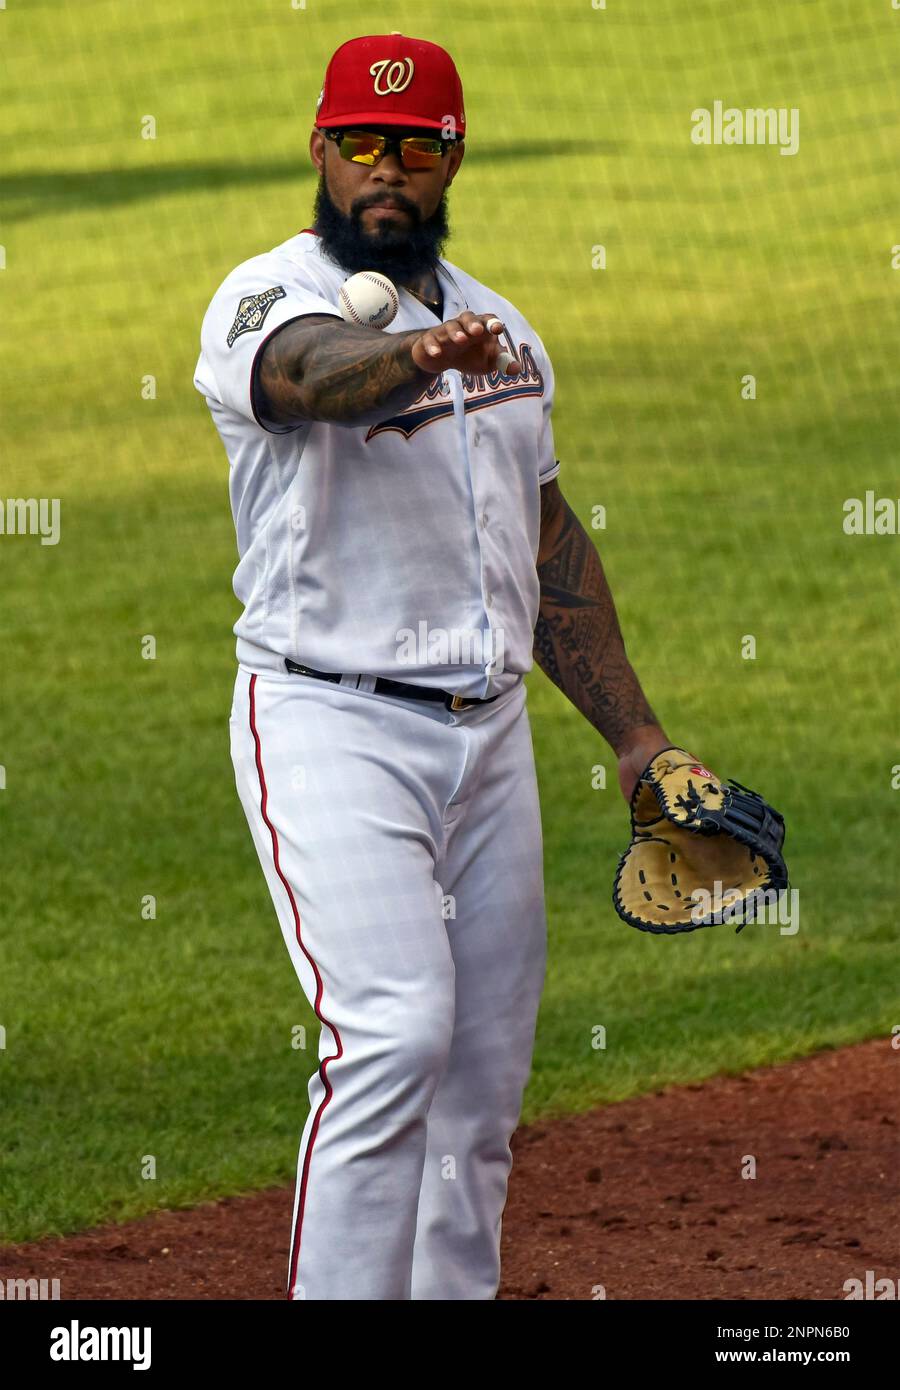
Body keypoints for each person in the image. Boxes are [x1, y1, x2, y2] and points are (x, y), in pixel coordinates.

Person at [194, 32, 669, 1301]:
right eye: (360, 141)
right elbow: (308, 377)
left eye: (414, 144)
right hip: (329, 724)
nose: (385, 168)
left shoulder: (507, 332)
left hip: (491, 741)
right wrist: (413, 357)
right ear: (319, 149)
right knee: (395, 1032)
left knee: (480, 1086)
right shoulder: (263, 298)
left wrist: (636, 737)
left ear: (453, 156)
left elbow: (546, 538)